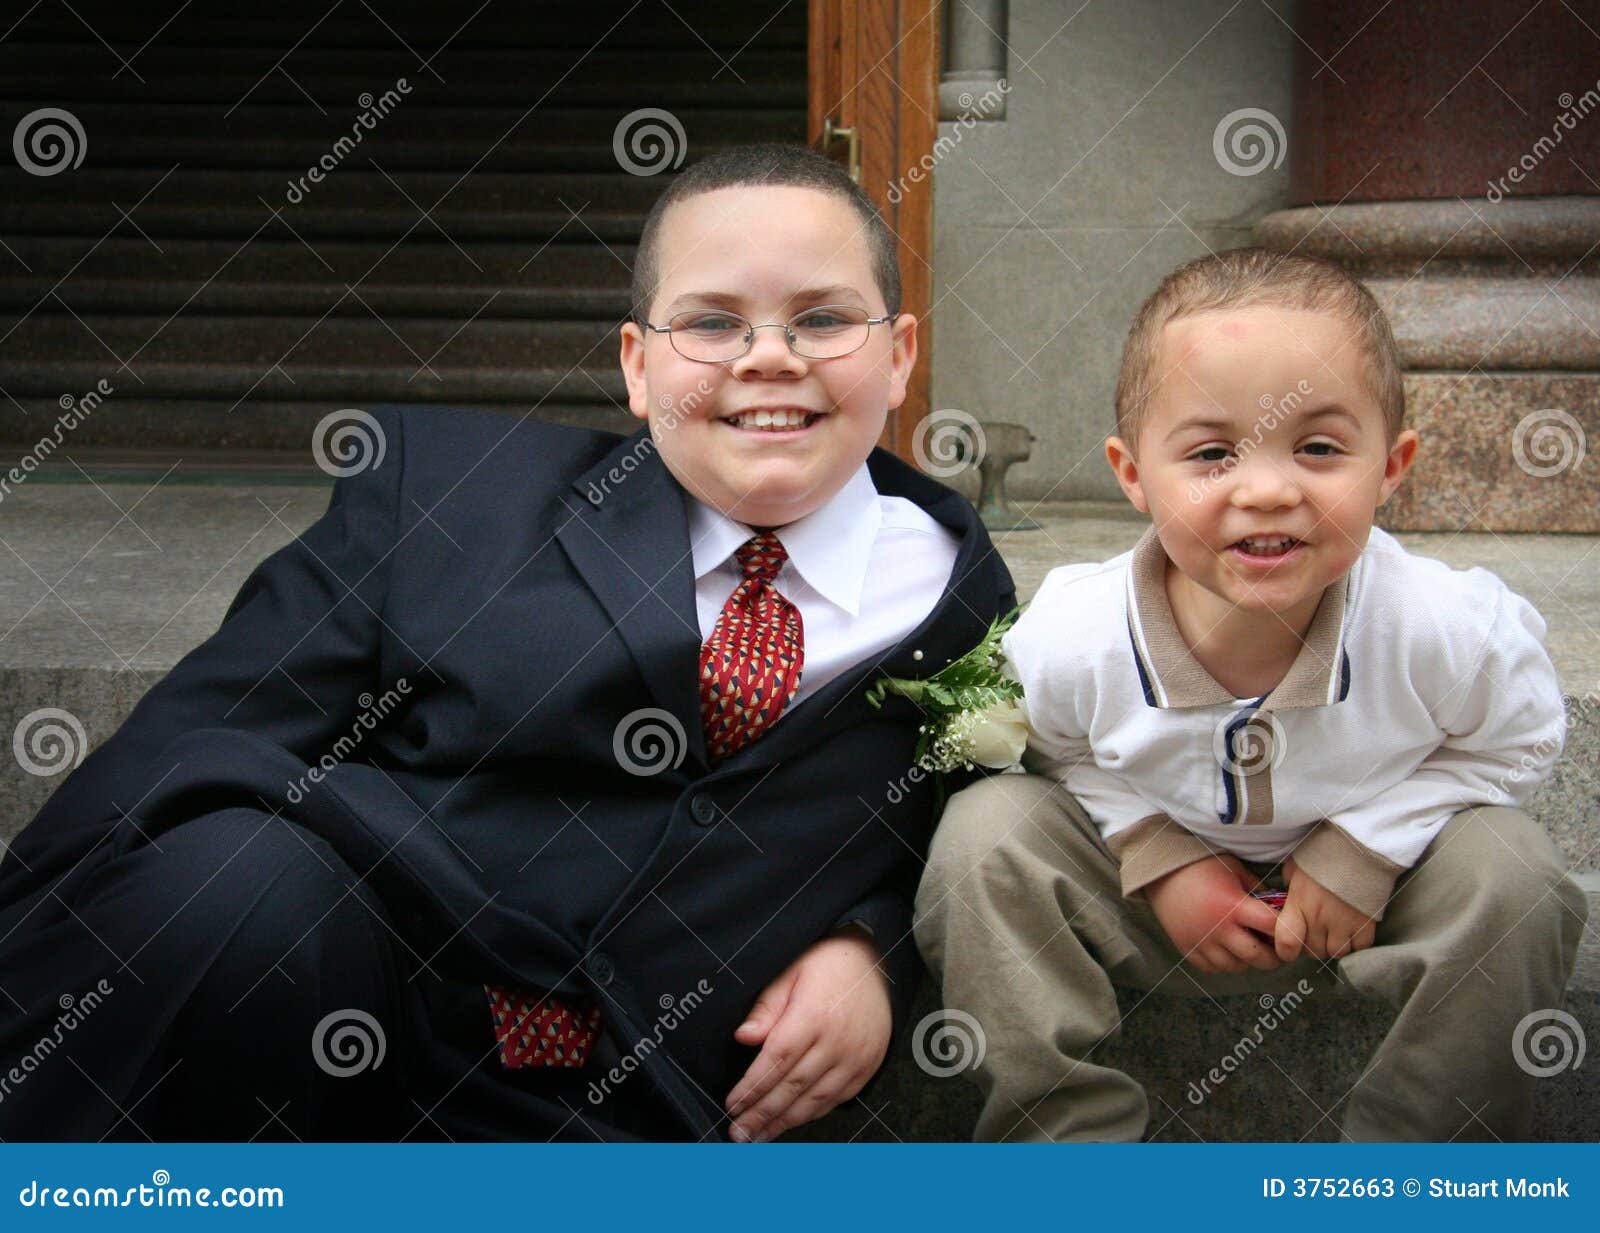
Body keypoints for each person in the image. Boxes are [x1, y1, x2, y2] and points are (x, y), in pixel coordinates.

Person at [0, 142, 1014, 1142]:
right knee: (235, 885)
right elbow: (193, 745)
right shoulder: (447, 501)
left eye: (823, 319)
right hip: (334, 1037)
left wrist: (870, 950)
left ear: (899, 356)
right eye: (711, 322)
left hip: (624, 1115)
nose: (767, 356)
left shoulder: (962, 608)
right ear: (636, 364)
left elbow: (948, 837)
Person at [914, 246, 1587, 1142]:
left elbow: (1526, 736)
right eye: (1211, 453)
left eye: (1317, 447)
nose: (1266, 490)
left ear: (1391, 466)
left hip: (1382, 908)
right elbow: (1059, 747)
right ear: (1132, 473)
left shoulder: (1443, 628)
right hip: (1149, 907)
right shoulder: (1076, 637)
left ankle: (1415, 1170)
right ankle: (1066, 1152)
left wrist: (1367, 848)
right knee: (986, 834)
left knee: (1516, 873)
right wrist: (1157, 853)